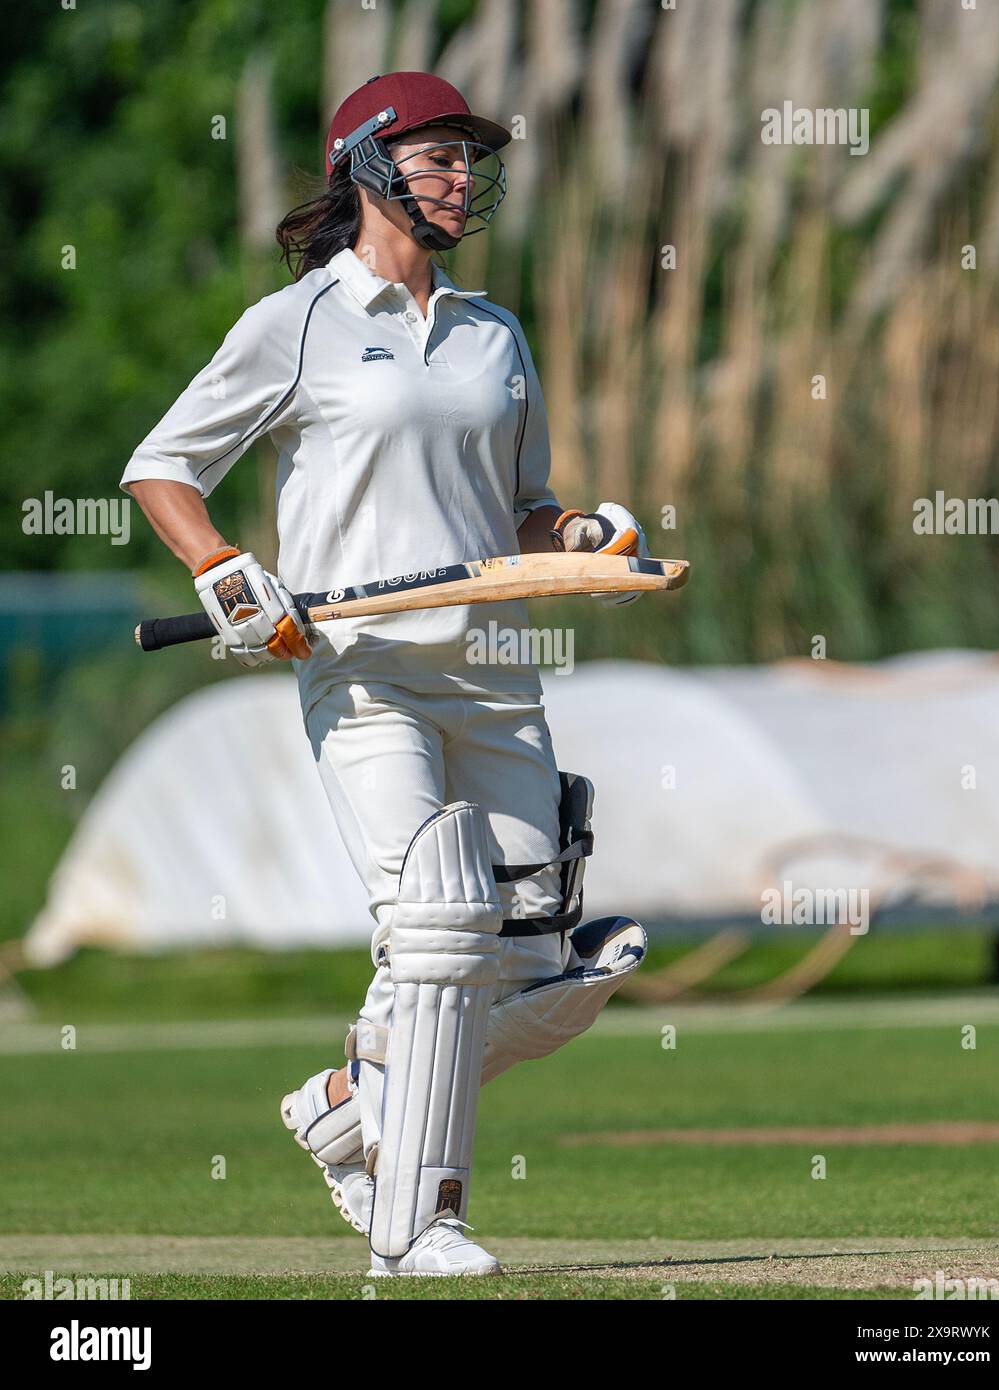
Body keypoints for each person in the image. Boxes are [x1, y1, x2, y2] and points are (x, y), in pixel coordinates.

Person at [122, 71, 646, 1277]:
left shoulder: (492, 334)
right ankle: (421, 1225)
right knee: (438, 927)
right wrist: (225, 574)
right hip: (363, 675)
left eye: (471, 160)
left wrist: (574, 542)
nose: (463, 178)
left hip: (495, 671)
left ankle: (346, 1105)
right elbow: (163, 465)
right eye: (439, 157)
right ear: (367, 162)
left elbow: (520, 514)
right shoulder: (295, 321)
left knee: (535, 967)